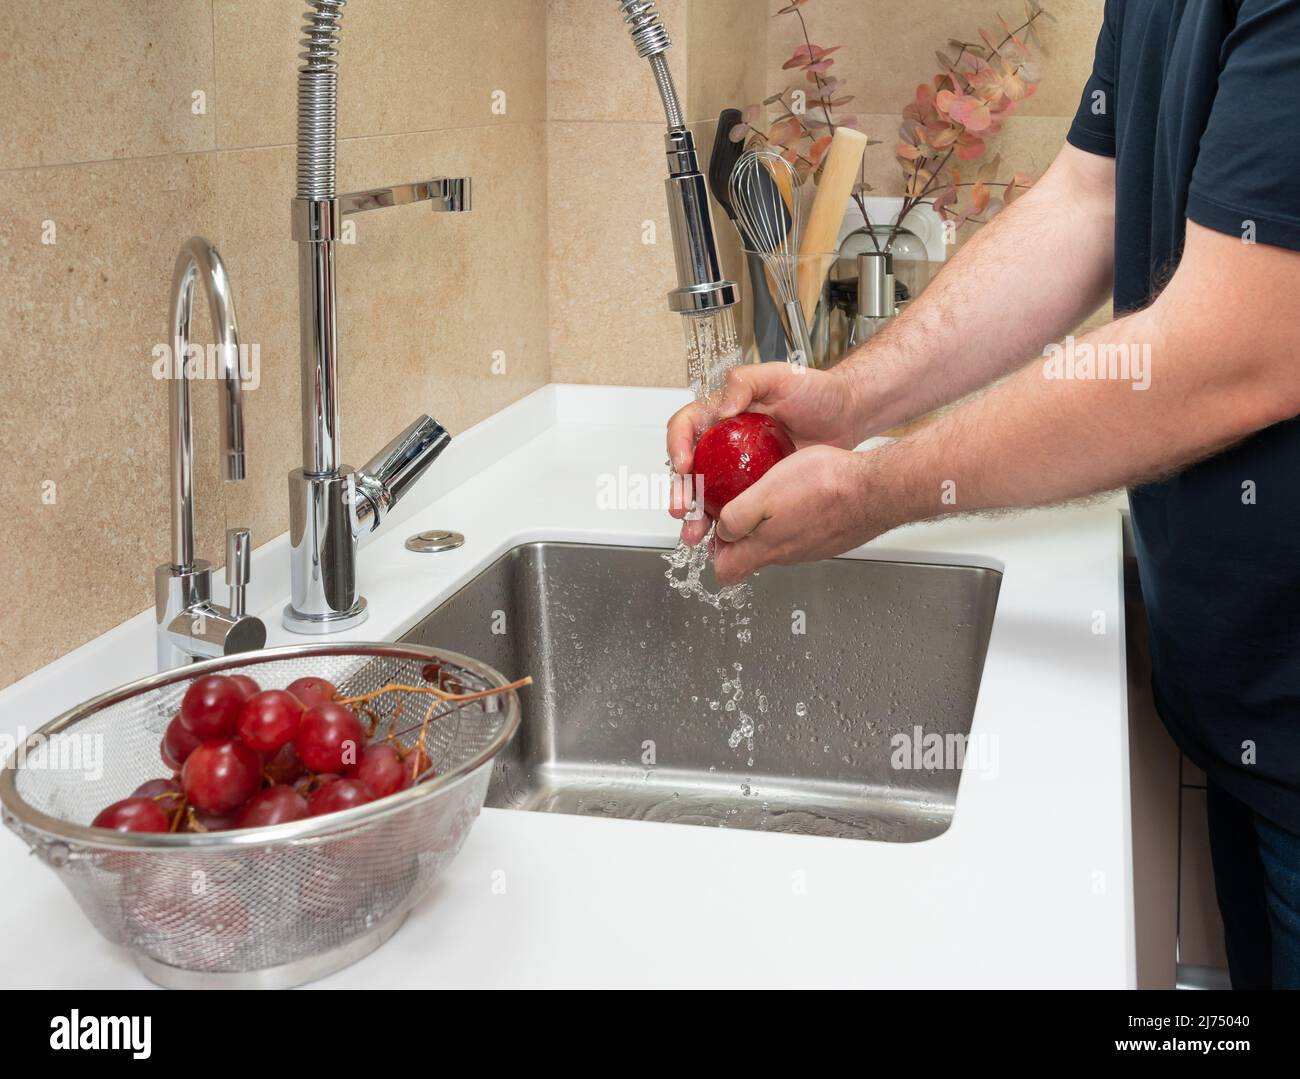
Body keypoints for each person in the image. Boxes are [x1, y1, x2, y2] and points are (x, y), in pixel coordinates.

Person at [668, 0, 1300, 990]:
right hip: (1243, 702)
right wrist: (849, 398)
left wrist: (871, 489)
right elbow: (1084, 205)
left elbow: (1232, 352)